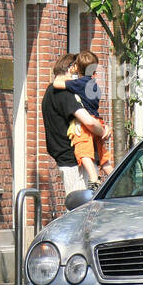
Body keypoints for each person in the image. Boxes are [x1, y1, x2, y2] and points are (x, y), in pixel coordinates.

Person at [41, 53, 109, 195]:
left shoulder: (49, 92)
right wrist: (103, 131)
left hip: (65, 160)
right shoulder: (64, 94)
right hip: (75, 162)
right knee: (80, 209)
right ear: (72, 68)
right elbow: (88, 121)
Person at [64, 49, 114, 186]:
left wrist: (70, 74)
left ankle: (93, 179)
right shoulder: (95, 87)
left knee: (83, 150)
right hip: (98, 121)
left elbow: (57, 84)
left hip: (86, 123)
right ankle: (117, 180)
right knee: (103, 158)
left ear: (77, 68)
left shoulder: (78, 84)